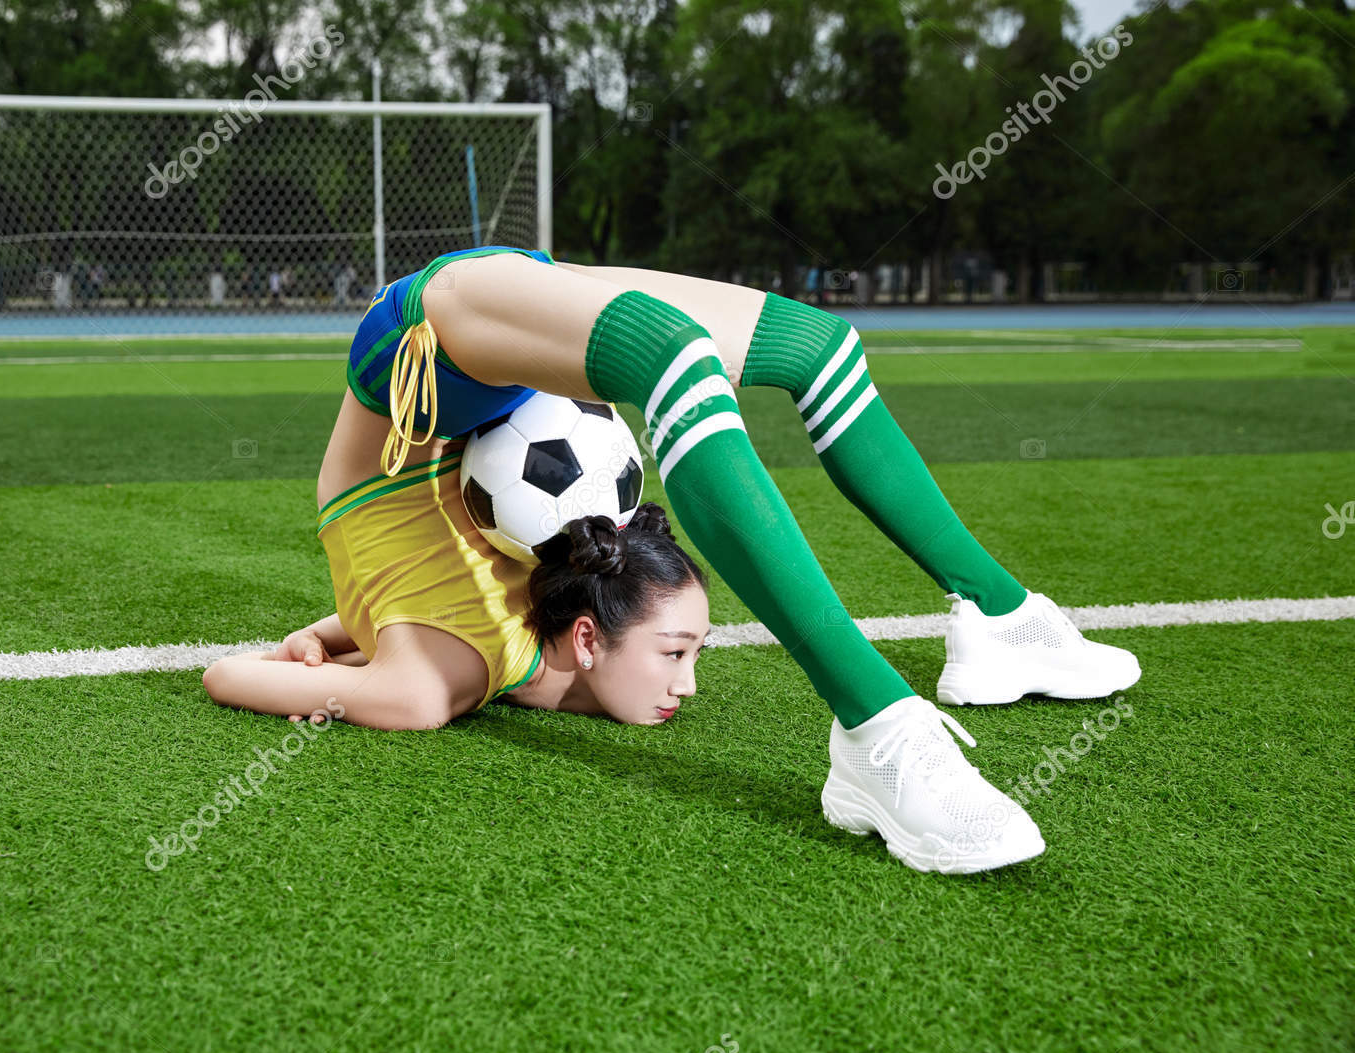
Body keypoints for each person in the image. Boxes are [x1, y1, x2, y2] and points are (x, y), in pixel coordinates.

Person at [204, 245, 1141, 874]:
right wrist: (338, 641)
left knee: (821, 347)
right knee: (680, 357)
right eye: (677, 650)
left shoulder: (473, 659)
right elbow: (300, 645)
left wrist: (323, 644)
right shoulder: (481, 662)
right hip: (453, 352)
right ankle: (879, 727)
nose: (687, 683)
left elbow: (319, 635)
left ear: (585, 635)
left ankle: (1000, 615)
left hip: (440, 348)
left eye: (681, 652)